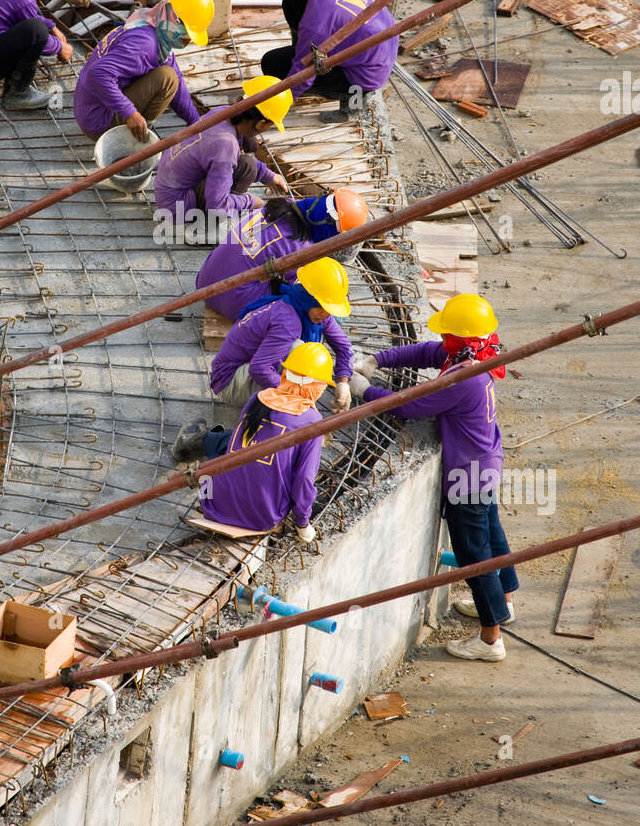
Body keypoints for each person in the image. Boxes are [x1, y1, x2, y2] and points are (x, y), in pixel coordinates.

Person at [354, 293, 516, 662]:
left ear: (459, 338)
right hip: (485, 464)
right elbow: (427, 352)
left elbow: (409, 406)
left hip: (466, 478)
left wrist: (366, 391)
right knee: (491, 537)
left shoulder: (463, 380)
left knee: (474, 555)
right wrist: (379, 359)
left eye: (448, 335)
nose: (443, 341)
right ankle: (503, 600)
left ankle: (491, 640)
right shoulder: (477, 354)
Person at [171, 343, 334, 541]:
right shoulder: (312, 421)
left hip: (211, 505)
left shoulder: (258, 397)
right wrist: (303, 524)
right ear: (317, 386)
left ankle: (194, 442)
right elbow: (304, 481)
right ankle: (202, 441)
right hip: (262, 518)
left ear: (285, 373)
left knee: (225, 451)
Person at [259, 0, 399, 116]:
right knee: (292, 1)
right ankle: (305, 49)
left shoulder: (316, 21)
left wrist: (278, 104)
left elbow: (302, 75)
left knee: (272, 64)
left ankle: (354, 104)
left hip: (365, 74)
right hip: (383, 44)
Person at [195, 188, 370, 322]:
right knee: (305, 303)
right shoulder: (299, 248)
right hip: (235, 305)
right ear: (333, 228)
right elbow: (304, 289)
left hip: (205, 281)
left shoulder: (281, 206)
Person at [209, 256, 353, 409]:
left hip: (248, 366)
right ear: (308, 297)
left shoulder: (311, 309)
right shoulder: (287, 322)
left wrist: (343, 382)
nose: (325, 313)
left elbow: (344, 347)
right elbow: (260, 369)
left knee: (309, 359)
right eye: (321, 306)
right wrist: (298, 398)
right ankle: (274, 412)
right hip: (229, 381)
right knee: (299, 352)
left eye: (329, 309)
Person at [73, 0, 213, 141]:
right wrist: (130, 113)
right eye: (187, 33)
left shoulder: (155, 25)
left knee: (171, 75)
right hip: (98, 120)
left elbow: (179, 85)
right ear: (175, 20)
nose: (187, 40)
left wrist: (196, 123)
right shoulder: (145, 45)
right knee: (167, 78)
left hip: (90, 107)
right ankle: (135, 133)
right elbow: (98, 74)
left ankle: (135, 124)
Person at [153, 74, 292, 220]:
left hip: (168, 188)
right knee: (247, 167)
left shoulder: (223, 112)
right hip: (177, 208)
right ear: (261, 124)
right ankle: (210, 228)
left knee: (248, 152)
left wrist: (267, 176)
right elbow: (216, 205)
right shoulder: (226, 146)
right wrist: (250, 201)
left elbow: (230, 155)